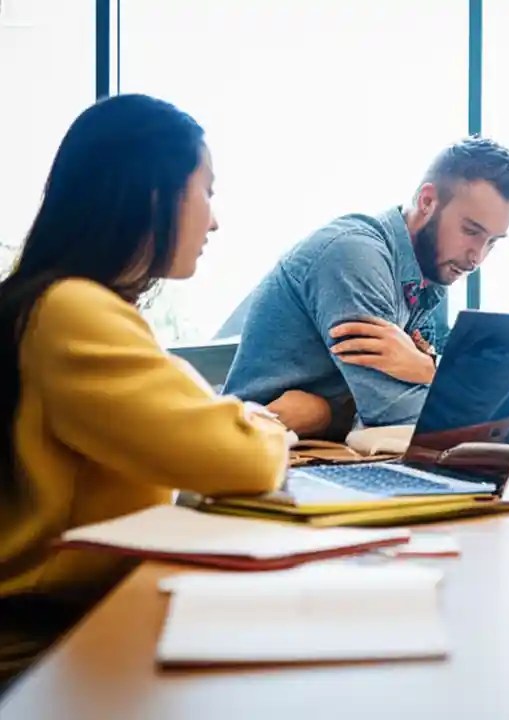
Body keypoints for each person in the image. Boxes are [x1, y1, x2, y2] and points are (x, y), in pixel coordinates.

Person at [0, 95, 290, 689]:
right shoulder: (71, 311)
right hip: (43, 653)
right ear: (156, 194)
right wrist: (268, 425)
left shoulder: (53, 303)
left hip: (70, 628)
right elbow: (243, 460)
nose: (214, 221)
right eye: (207, 191)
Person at [221, 137, 509, 438]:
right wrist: (441, 379)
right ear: (427, 201)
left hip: (327, 451)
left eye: (492, 242)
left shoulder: (427, 276)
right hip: (257, 451)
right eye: (470, 231)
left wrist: (428, 369)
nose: (477, 258)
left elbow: (499, 411)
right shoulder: (354, 255)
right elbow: (396, 414)